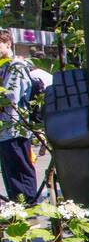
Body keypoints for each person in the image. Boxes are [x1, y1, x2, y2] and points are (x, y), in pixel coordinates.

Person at [0, 30, 39, 204]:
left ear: (8, 43)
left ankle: (29, 205)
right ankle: (17, 206)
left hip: (15, 126)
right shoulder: (3, 67)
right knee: (10, 171)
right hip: (4, 128)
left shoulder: (16, 66)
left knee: (20, 169)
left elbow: (11, 97)